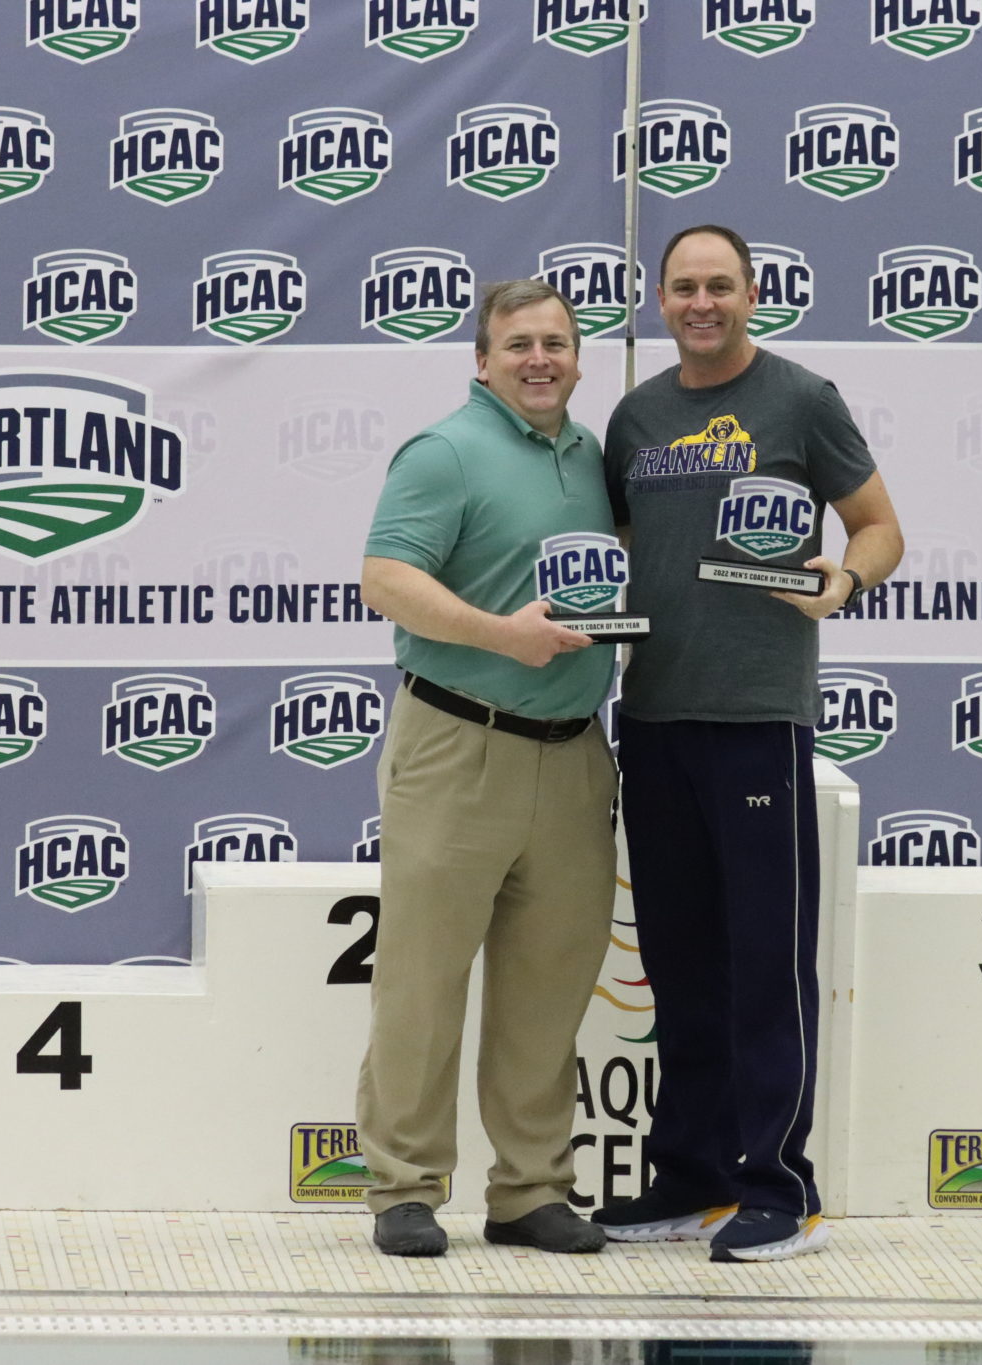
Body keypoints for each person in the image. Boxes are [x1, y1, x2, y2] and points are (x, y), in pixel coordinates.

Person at [593, 225, 903, 1262]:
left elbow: (879, 527)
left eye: (719, 285)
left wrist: (844, 578)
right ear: (659, 298)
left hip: (757, 719)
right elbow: (620, 548)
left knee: (764, 963)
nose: (701, 302)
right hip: (652, 716)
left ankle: (781, 1186)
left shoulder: (800, 399)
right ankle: (691, 1177)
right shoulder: (635, 415)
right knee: (677, 963)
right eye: (683, 286)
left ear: (752, 293)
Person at [354, 278, 620, 1258]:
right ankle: (403, 1187)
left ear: (578, 358)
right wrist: (501, 636)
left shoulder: (592, 458)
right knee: (422, 983)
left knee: (548, 989)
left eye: (555, 343)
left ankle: (529, 1191)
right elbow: (386, 578)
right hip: (458, 744)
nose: (539, 359)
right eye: (518, 345)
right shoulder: (444, 452)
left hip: (573, 751)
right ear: (481, 359)